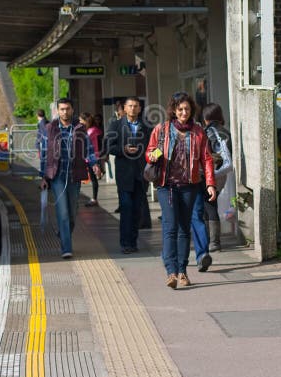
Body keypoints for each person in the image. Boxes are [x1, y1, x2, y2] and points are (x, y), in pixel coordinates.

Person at [146, 92, 216, 289]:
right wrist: (154, 155)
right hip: (166, 186)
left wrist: (210, 184)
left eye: (187, 109)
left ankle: (183, 271)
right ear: (174, 111)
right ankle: (171, 272)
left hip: (189, 186)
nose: (184, 112)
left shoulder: (198, 132)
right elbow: (150, 152)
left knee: (185, 229)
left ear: (191, 110)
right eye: (180, 109)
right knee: (170, 227)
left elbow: (206, 159)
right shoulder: (162, 130)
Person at [40, 98, 101, 259]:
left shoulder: (79, 128)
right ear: (57, 111)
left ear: (72, 110)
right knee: (63, 213)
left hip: (75, 174)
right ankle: (66, 247)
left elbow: (89, 148)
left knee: (73, 212)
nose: (65, 112)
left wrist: (95, 164)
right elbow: (45, 154)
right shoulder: (50, 128)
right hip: (57, 176)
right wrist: (43, 176)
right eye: (62, 109)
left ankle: (63, 232)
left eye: (67, 109)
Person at [104, 96, 152, 254]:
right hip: (124, 174)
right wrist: (123, 150)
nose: (133, 108)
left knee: (137, 210)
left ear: (139, 108)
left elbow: (155, 146)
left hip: (141, 174)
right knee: (126, 208)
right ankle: (125, 243)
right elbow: (109, 147)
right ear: (124, 108)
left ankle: (133, 241)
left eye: (136, 106)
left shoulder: (146, 127)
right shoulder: (116, 125)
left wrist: (153, 157)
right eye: (130, 106)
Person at [190, 103, 233, 269]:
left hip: (210, 173)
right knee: (211, 203)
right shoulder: (225, 130)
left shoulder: (208, 131)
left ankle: (213, 241)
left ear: (206, 117)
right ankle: (213, 241)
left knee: (208, 206)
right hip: (222, 173)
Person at [80, 112, 102, 207]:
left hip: (92, 158)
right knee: (94, 179)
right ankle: (94, 198)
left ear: (85, 121)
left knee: (94, 179)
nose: (80, 122)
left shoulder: (90, 132)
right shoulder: (95, 130)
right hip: (94, 157)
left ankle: (94, 199)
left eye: (81, 120)